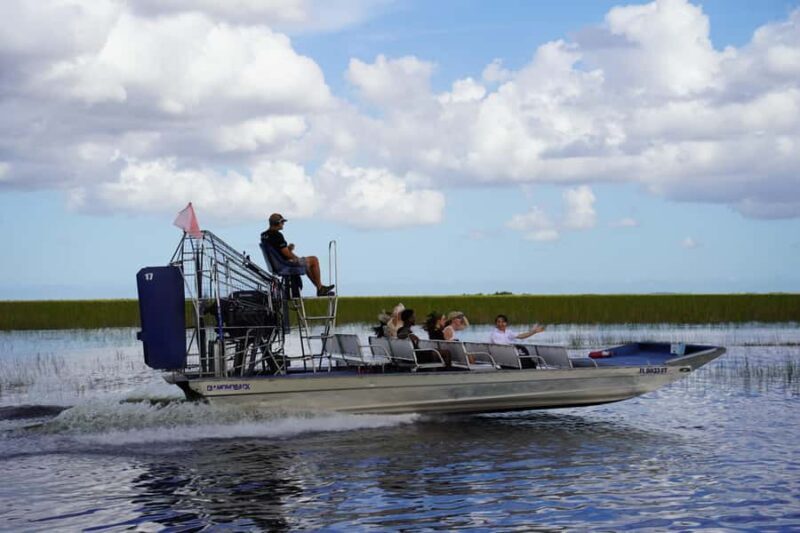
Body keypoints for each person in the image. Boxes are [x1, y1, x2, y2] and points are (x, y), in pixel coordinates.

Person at [261, 213, 334, 297]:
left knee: (307, 264)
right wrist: (297, 258)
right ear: (277, 223)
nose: (283, 224)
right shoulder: (277, 235)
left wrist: (288, 248)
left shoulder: (264, 235)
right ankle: (320, 288)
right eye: (282, 222)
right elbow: (286, 254)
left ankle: (320, 288)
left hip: (277, 264)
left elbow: (278, 251)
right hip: (284, 264)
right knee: (314, 260)